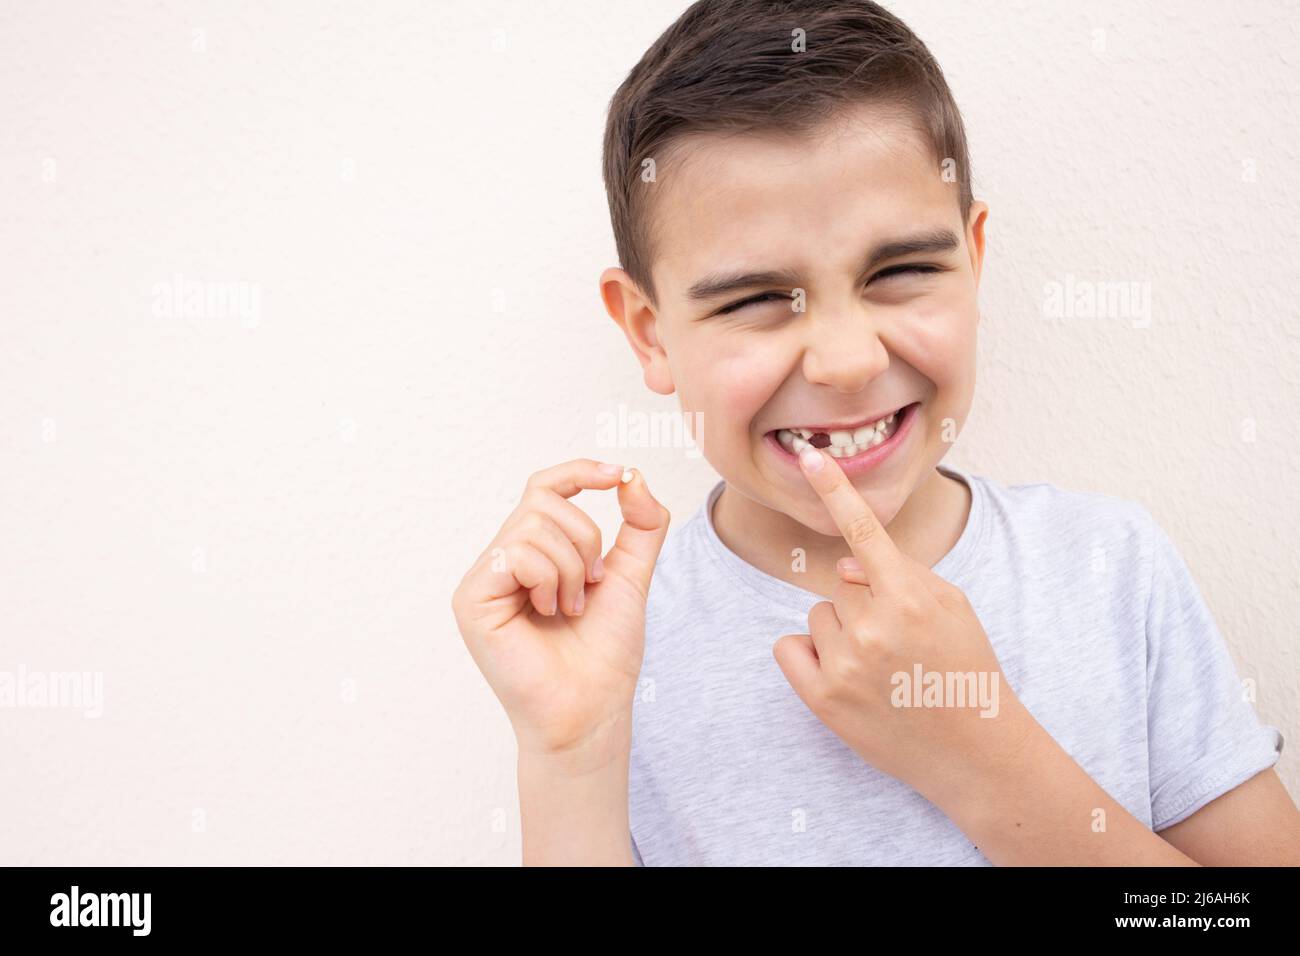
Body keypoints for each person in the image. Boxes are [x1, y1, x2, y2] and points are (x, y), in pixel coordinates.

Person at [452, 0, 1297, 865]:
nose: (848, 361)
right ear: (647, 331)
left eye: (900, 272)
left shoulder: (1112, 568)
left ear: (974, 259)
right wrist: (570, 759)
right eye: (753, 300)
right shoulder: (617, 648)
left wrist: (984, 760)